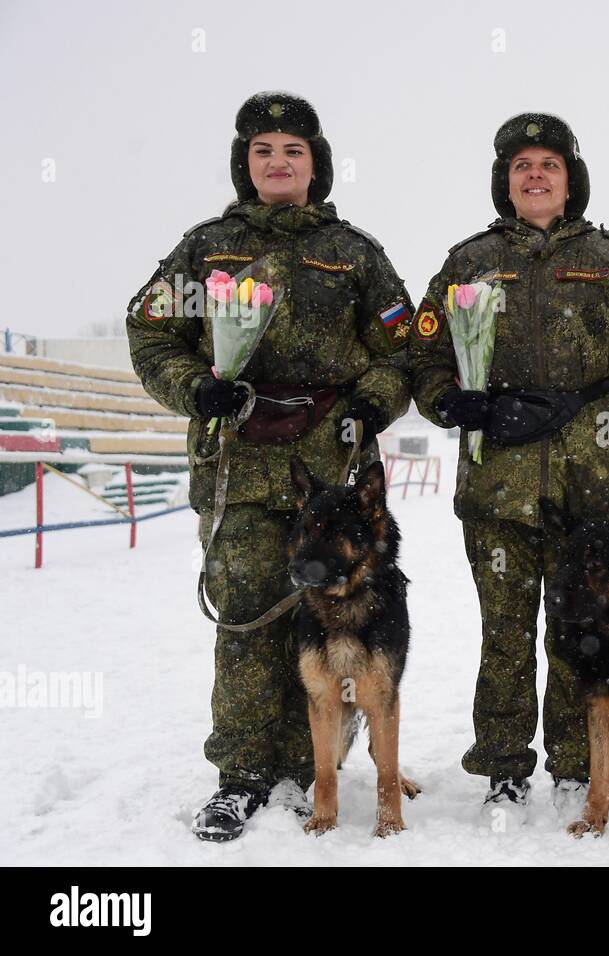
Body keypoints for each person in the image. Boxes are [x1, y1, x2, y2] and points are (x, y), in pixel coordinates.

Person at [126, 91, 413, 841]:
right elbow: (150, 331)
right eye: (263, 151)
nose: (278, 162)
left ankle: (304, 768)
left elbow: (403, 348)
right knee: (249, 619)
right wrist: (196, 386)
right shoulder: (206, 248)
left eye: (294, 150)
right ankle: (243, 775)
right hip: (240, 464)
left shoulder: (354, 253)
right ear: (244, 163)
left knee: (328, 626)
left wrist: (371, 405)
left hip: (332, 465)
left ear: (316, 166)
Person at [405, 113, 609, 821]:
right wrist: (462, 406)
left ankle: (571, 763)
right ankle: (502, 767)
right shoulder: (468, 261)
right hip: (498, 482)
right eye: (522, 165)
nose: (535, 176)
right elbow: (426, 358)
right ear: (505, 180)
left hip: (591, 487)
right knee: (503, 632)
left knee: (580, 634)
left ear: (570, 180)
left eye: (549, 165)